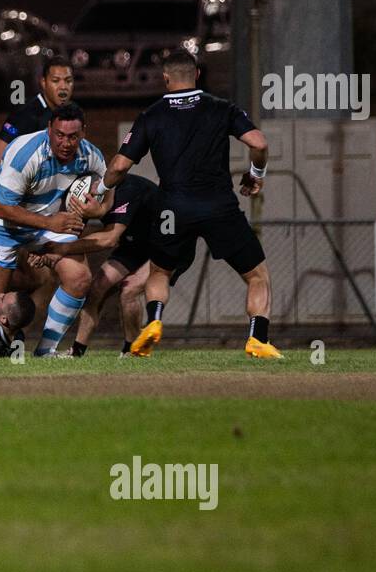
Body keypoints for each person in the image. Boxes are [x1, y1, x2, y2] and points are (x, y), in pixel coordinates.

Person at [100, 50, 281, 359]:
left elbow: (118, 166)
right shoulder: (221, 108)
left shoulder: (152, 115)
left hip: (172, 208)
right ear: (197, 74)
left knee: (159, 273)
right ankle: (257, 340)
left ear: (166, 79)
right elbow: (259, 143)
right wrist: (256, 174)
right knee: (257, 276)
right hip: (219, 207)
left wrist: (101, 189)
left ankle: (155, 321)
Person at [0, 102, 112, 356]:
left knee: (79, 277)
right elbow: (1, 208)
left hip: (45, 220)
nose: (66, 143)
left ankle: (45, 352)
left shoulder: (90, 155)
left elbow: (109, 187)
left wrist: (99, 211)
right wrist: (51, 223)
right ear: (49, 129)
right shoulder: (26, 153)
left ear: (83, 133)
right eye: (59, 135)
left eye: (73, 136)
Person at [27, 173, 181, 357]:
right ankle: (77, 351)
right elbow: (69, 237)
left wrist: (62, 249)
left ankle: (133, 352)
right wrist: (44, 253)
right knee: (96, 288)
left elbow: (109, 239)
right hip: (134, 246)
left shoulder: (128, 189)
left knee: (128, 291)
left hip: (166, 244)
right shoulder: (83, 198)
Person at [0, 55, 75, 172]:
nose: (63, 87)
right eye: (56, 81)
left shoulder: (72, 112)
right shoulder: (25, 114)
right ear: (43, 82)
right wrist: (12, 189)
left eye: (68, 81)